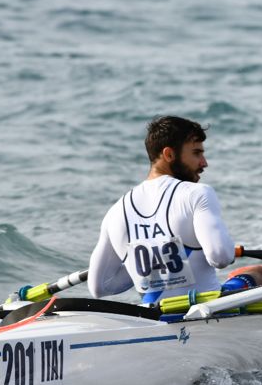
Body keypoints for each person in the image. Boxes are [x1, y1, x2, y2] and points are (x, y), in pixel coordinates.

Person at [88, 115, 236, 305]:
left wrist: (148, 263)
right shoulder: (197, 194)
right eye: (196, 153)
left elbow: (99, 287)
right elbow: (221, 257)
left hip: (155, 319)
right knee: (255, 274)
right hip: (209, 311)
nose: (204, 163)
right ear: (169, 154)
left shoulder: (115, 212)